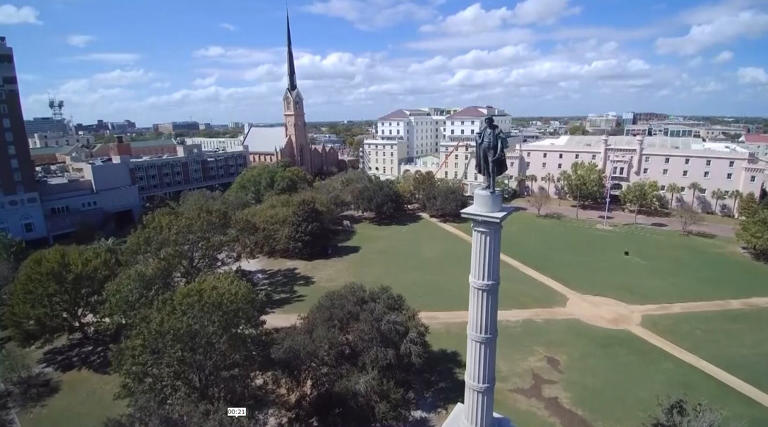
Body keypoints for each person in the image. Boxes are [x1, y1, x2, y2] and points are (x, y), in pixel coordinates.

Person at [475, 116, 508, 193]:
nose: (487, 123)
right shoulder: (484, 129)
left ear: (492, 121)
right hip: (483, 149)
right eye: (486, 121)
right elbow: (477, 135)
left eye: (489, 121)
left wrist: (499, 152)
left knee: (492, 168)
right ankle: (488, 183)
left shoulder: (497, 129)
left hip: (492, 150)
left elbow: (501, 140)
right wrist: (479, 140)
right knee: (486, 167)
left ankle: (492, 187)